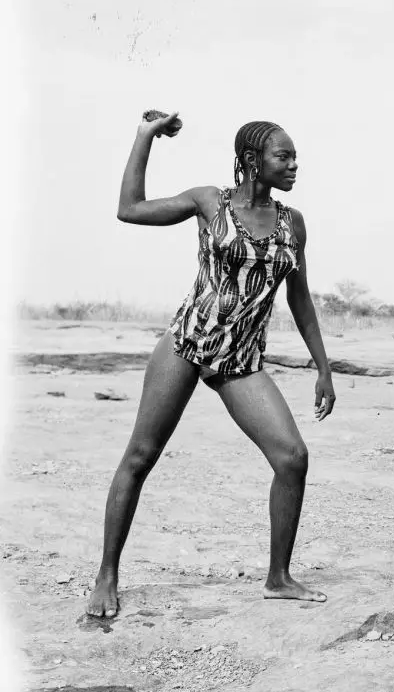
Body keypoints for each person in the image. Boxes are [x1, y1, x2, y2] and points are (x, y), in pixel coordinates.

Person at [87, 113, 335, 618]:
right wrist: (145, 136)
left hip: (240, 358)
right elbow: (129, 209)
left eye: (294, 158)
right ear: (251, 161)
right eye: (283, 157)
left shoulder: (294, 224)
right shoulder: (210, 202)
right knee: (140, 457)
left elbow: (301, 299)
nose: (293, 166)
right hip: (187, 343)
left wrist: (322, 366)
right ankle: (106, 575)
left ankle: (279, 577)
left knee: (292, 458)